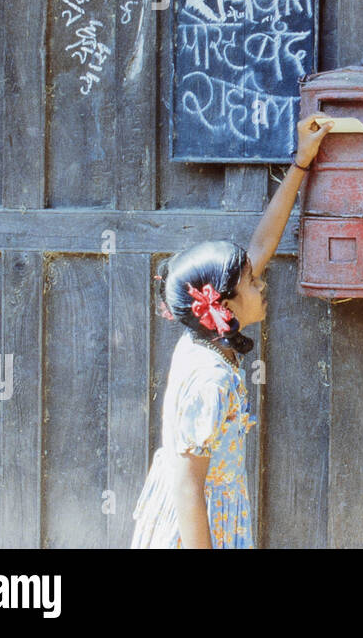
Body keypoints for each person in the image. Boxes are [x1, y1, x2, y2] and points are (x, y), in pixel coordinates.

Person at [130, 112, 336, 548]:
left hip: (200, 515)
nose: (262, 286)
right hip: (194, 528)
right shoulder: (212, 379)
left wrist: (302, 161)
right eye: (253, 283)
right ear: (222, 304)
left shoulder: (201, 336)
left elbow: (260, 246)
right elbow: (189, 487)